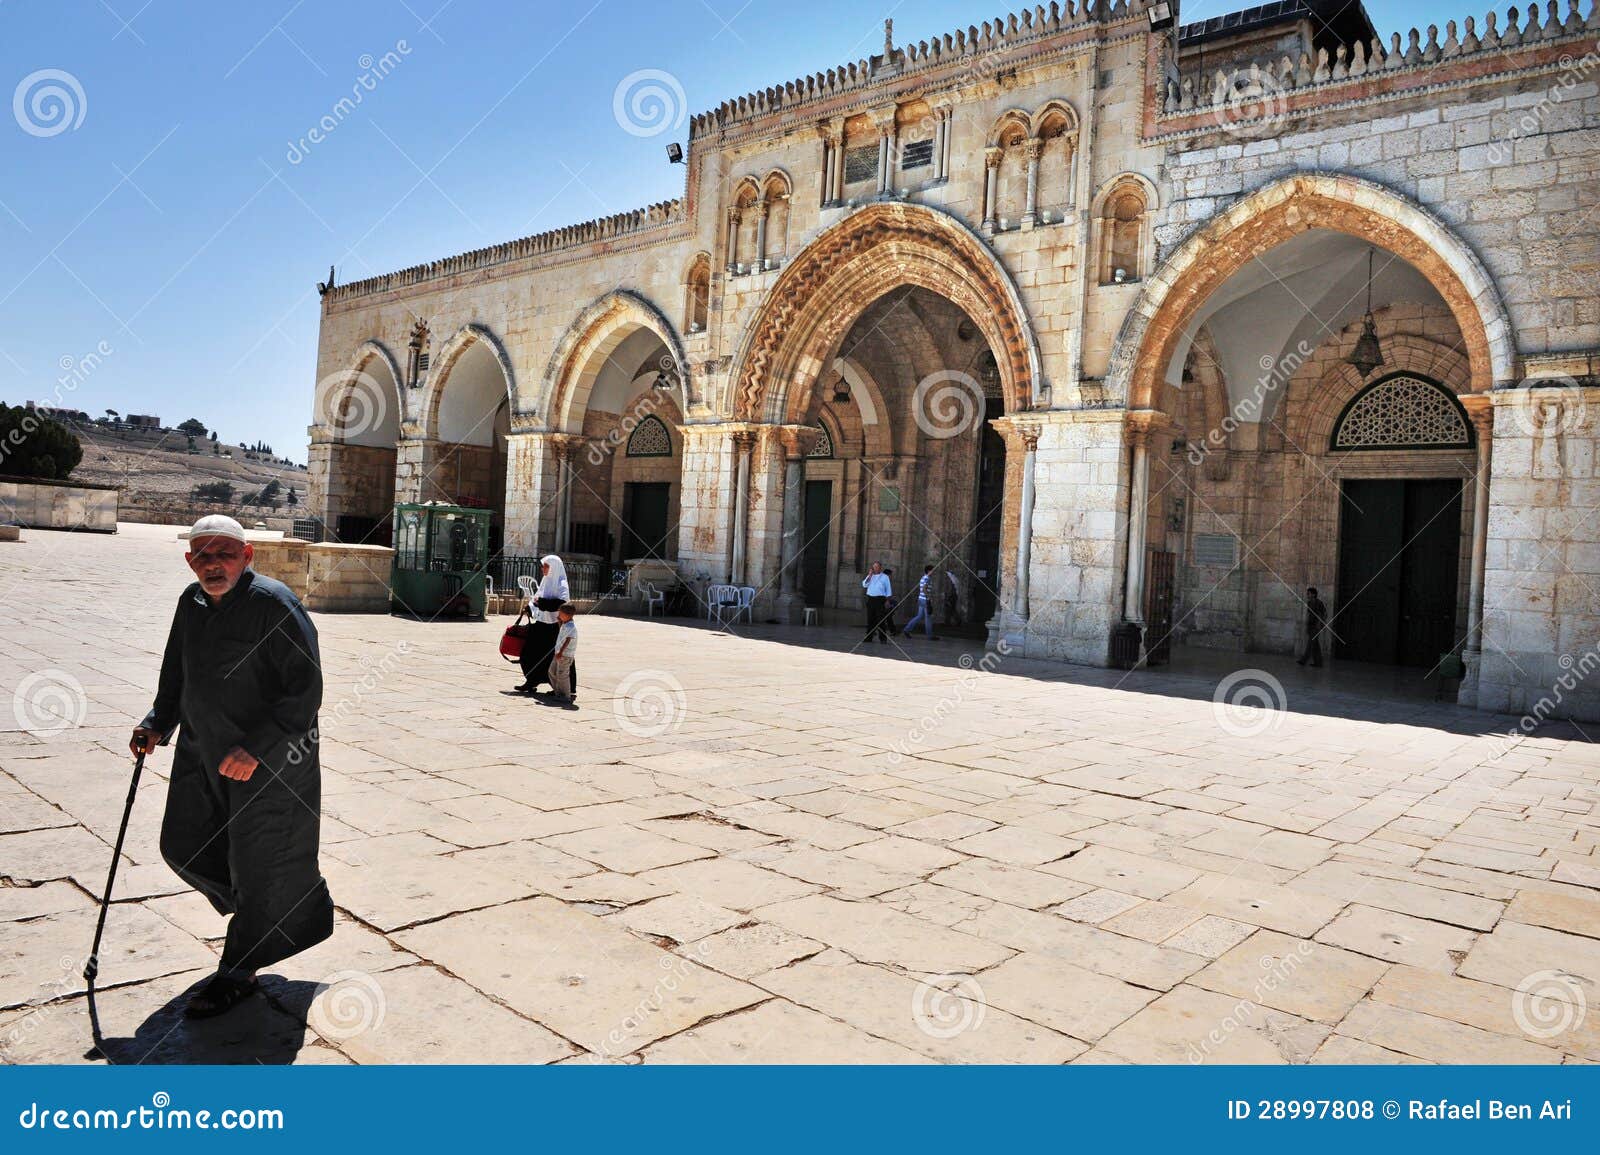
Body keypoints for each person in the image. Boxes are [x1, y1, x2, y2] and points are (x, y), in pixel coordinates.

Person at [129, 514, 333, 1019]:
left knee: (260, 862)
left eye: (224, 553)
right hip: (203, 754)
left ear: (247, 557)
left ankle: (240, 966)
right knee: (181, 844)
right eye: (203, 554)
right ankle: (274, 908)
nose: (213, 563)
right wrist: (158, 720)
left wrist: (258, 747)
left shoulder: (274, 604)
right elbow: (176, 670)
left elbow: (305, 689)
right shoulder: (190, 602)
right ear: (189, 560)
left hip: (271, 764)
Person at [517, 554, 574, 696]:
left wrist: (542, 603)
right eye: (543, 566)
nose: (543, 569)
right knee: (529, 652)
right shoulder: (545, 581)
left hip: (556, 626)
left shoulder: (561, 584)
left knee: (559, 657)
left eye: (546, 566)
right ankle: (531, 681)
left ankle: (568, 689)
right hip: (542, 623)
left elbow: (562, 604)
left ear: (554, 568)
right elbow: (536, 598)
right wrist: (529, 608)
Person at [549, 604, 578, 709]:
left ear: (568, 615)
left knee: (563, 675)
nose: (559, 615)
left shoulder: (571, 626)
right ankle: (558, 692)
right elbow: (562, 634)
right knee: (552, 671)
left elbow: (567, 640)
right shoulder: (565, 624)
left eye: (561, 614)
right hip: (558, 654)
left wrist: (561, 652)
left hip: (565, 655)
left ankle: (566, 696)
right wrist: (559, 622)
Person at [903, 564, 939, 640]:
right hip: (925, 600)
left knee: (919, 616)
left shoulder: (923, 577)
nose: (933, 572)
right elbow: (924, 589)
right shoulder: (927, 578)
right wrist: (928, 597)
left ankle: (906, 630)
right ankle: (930, 636)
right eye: (932, 570)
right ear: (929, 571)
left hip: (921, 599)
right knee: (928, 617)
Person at [1297, 586, 1328, 668]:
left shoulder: (1319, 603)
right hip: (1311, 625)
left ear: (1313, 594)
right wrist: (1307, 624)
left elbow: (1324, 614)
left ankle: (1304, 660)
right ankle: (1318, 662)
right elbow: (1309, 614)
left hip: (1316, 626)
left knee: (1310, 643)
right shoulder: (1309, 603)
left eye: (1309, 593)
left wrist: (1320, 624)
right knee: (1315, 645)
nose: (1307, 594)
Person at [861, 562, 892, 644]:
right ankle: (869, 637)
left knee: (881, 619)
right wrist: (870, 575)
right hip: (871, 599)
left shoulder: (885, 577)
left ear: (880, 568)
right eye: (874, 567)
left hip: (880, 600)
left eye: (877, 567)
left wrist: (888, 600)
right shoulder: (870, 576)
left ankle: (883, 638)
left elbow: (888, 589)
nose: (875, 568)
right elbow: (864, 585)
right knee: (870, 619)